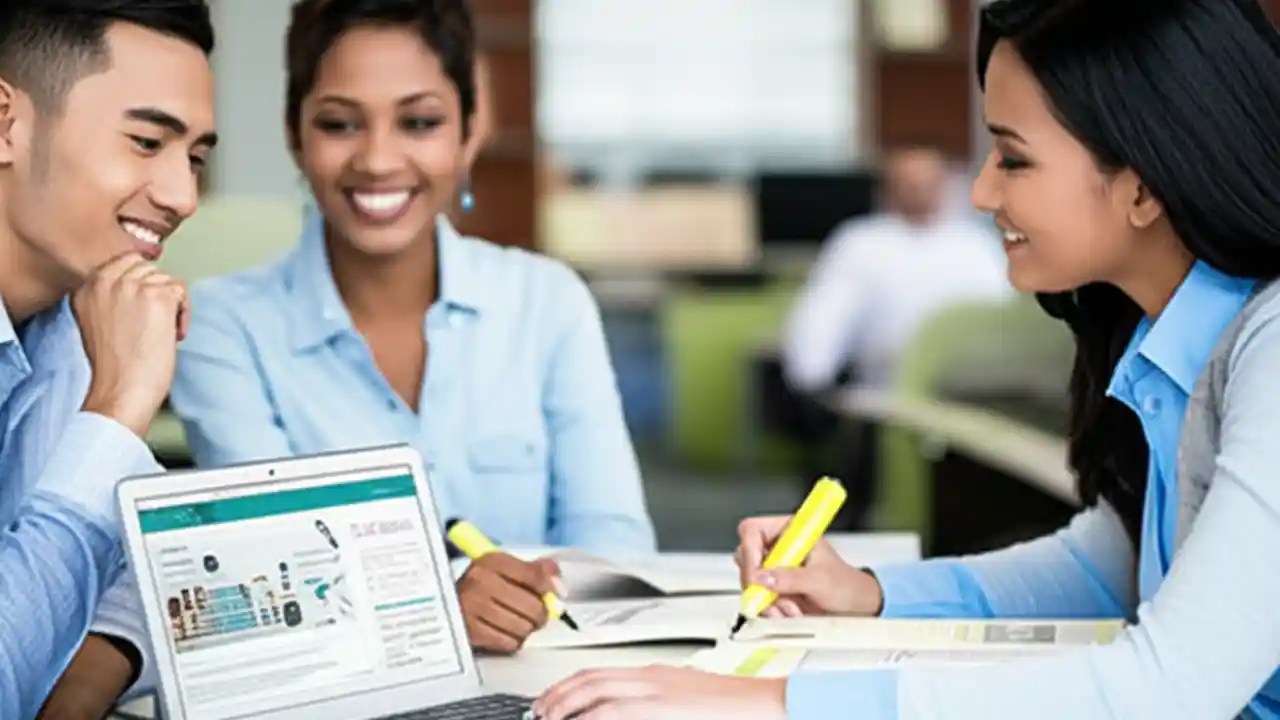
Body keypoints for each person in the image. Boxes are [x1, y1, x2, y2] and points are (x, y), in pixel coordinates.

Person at [532, 0, 1280, 717]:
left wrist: (766, 704)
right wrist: (868, 592)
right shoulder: (1167, 343)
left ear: (1142, 186)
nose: (982, 191)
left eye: (1013, 160)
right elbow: (1108, 568)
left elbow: (1167, 691)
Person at [167, 0, 655, 657]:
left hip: (551, 676)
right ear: (295, 134)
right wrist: (440, 600)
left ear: (469, 131)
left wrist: (513, 600)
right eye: (339, 124)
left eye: (419, 122)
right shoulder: (222, 326)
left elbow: (616, 547)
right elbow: (271, 570)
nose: (376, 159)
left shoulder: (547, 301)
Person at [0, 1, 215, 718]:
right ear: (5, 123)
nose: (183, 197)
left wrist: (84, 688)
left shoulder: (79, 318)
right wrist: (120, 411)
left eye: (196, 159)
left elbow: (146, 575)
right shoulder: (109, 355)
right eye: (148, 142)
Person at [776, 142, 1010, 529]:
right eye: (907, 183)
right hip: (888, 399)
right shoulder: (862, 242)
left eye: (928, 182)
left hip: (978, 398)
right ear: (886, 188)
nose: (919, 191)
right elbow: (817, 330)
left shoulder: (977, 245)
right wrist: (811, 380)